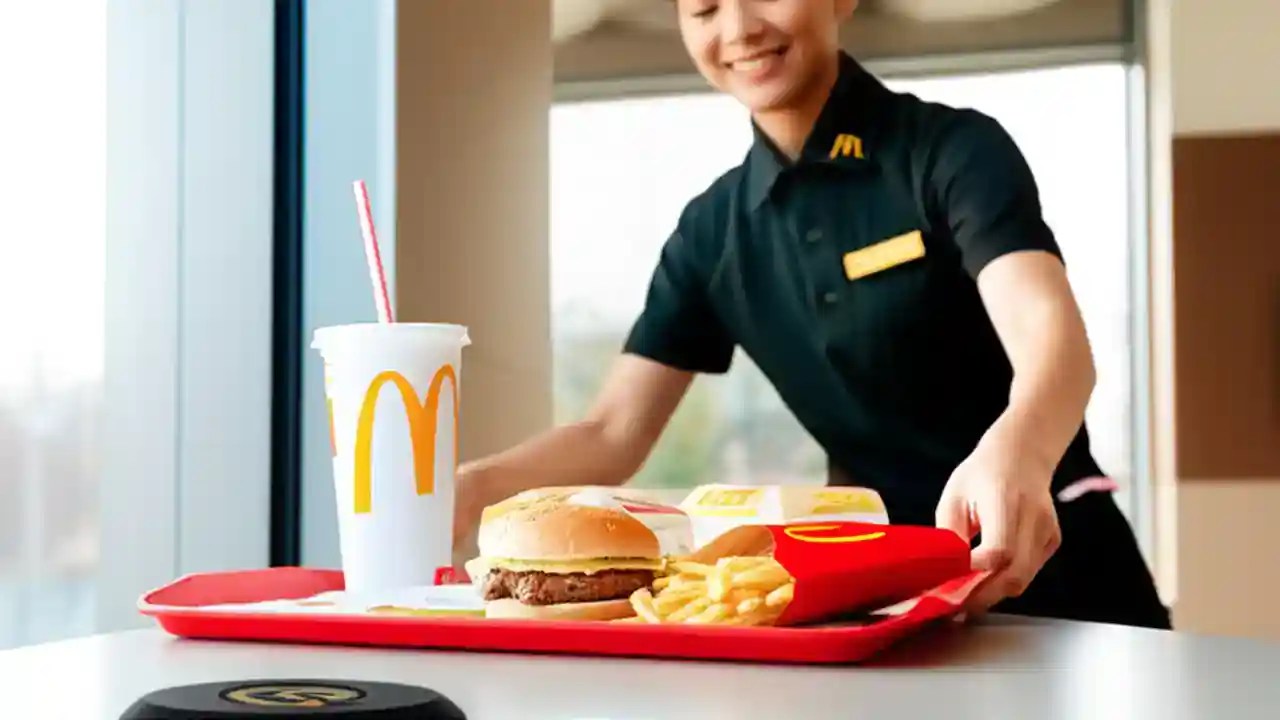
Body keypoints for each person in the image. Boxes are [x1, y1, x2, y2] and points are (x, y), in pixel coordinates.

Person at [454, 0, 1170, 629]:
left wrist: (1019, 451)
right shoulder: (713, 232)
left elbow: (1051, 339)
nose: (737, 28)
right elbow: (612, 431)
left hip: (1057, 568)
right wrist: (465, 492)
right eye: (703, 9)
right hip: (877, 594)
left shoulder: (951, 152)